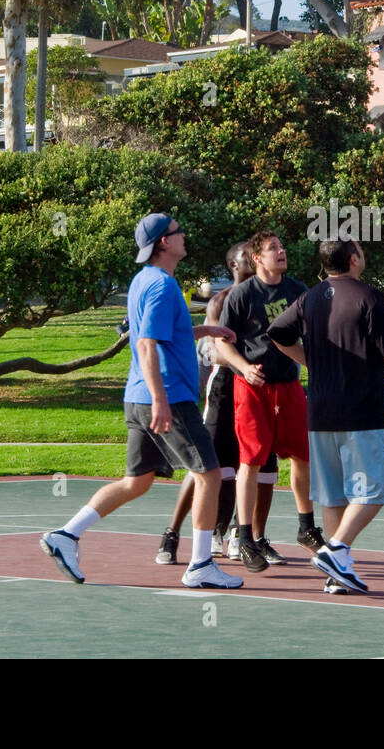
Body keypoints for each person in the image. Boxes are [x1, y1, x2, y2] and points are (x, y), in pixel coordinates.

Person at [40, 213, 243, 590]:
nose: (185, 236)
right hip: (165, 397)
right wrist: (161, 401)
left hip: (138, 397)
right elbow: (147, 345)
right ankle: (200, 564)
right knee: (209, 474)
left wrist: (205, 330)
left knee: (137, 481)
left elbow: (160, 334)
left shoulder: (145, 281)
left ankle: (65, 535)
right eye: (178, 232)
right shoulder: (161, 286)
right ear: (164, 242)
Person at [268, 238, 384, 594]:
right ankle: (335, 550)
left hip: (320, 413)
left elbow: (277, 332)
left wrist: (309, 360)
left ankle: (337, 569)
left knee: (335, 495)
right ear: (354, 259)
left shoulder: (310, 298)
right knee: (378, 489)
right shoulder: (367, 297)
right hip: (362, 413)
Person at [215, 229, 322, 572]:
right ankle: (245, 537)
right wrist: (244, 367)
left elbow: (313, 335)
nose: (281, 251)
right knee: (252, 461)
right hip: (253, 387)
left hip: (288, 385)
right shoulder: (242, 295)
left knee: (303, 455)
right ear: (257, 258)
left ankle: (306, 527)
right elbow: (222, 343)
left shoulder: (298, 291)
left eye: (282, 245)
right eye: (273, 248)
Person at [155, 241, 252, 565]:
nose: (253, 258)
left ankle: (239, 533)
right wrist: (245, 364)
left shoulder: (267, 296)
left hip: (254, 387)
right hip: (224, 385)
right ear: (234, 265)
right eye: (245, 256)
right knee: (203, 464)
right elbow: (215, 349)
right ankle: (172, 533)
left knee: (245, 465)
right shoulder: (221, 301)